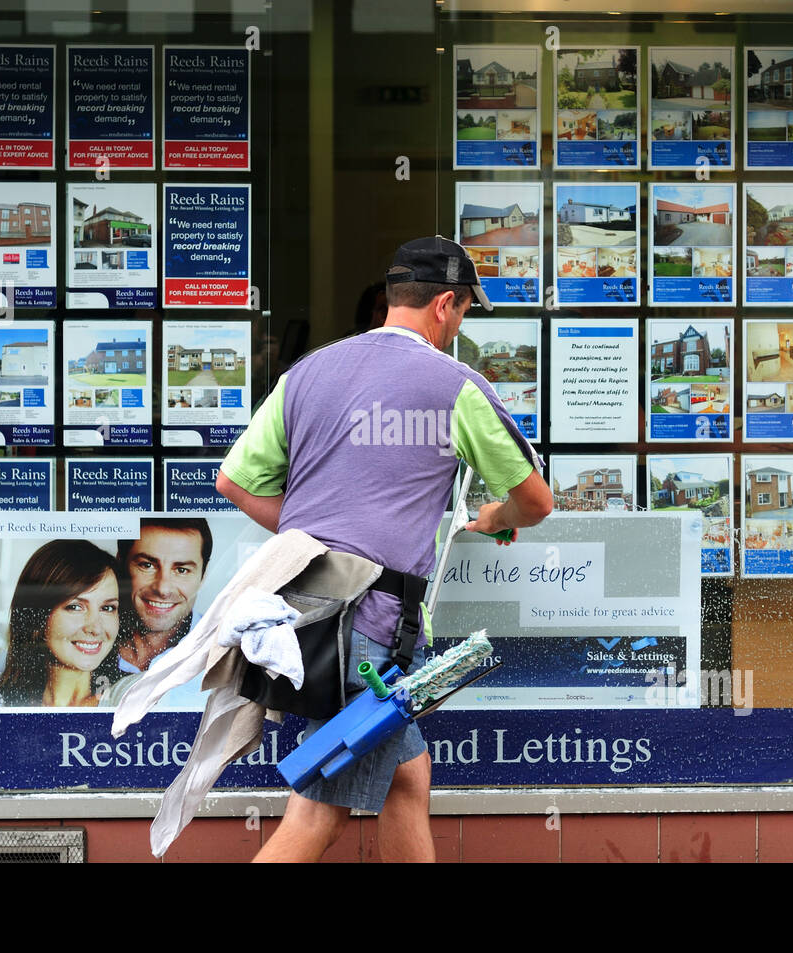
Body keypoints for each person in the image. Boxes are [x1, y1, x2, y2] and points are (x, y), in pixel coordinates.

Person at [217, 235, 554, 862]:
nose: (460, 325)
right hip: (368, 630)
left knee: (406, 778)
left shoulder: (307, 372)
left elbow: (233, 482)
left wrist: (315, 543)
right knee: (318, 813)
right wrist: (493, 516)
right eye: (464, 312)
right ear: (445, 304)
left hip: (305, 620)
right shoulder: (456, 386)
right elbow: (535, 502)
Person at [0, 539, 120, 708]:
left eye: (107, 608)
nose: (95, 628)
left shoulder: (134, 701)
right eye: (75, 607)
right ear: (37, 616)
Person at [92, 517, 213, 689]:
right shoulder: (84, 640)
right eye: (147, 565)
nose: (163, 589)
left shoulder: (224, 653)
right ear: (120, 563)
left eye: (181, 570)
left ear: (203, 574)